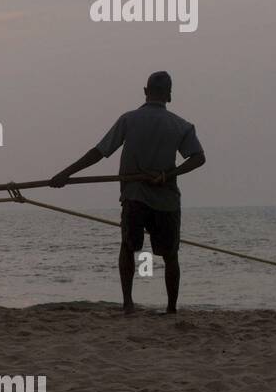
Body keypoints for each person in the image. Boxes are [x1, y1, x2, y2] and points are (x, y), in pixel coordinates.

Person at [51, 70, 205, 314]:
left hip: (135, 196)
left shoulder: (128, 120)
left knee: (128, 247)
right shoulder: (181, 125)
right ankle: (171, 309)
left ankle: (128, 303)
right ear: (169, 95)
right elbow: (198, 158)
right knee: (170, 255)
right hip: (166, 201)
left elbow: (99, 152)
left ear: (145, 92)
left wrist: (65, 173)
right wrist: (168, 175)